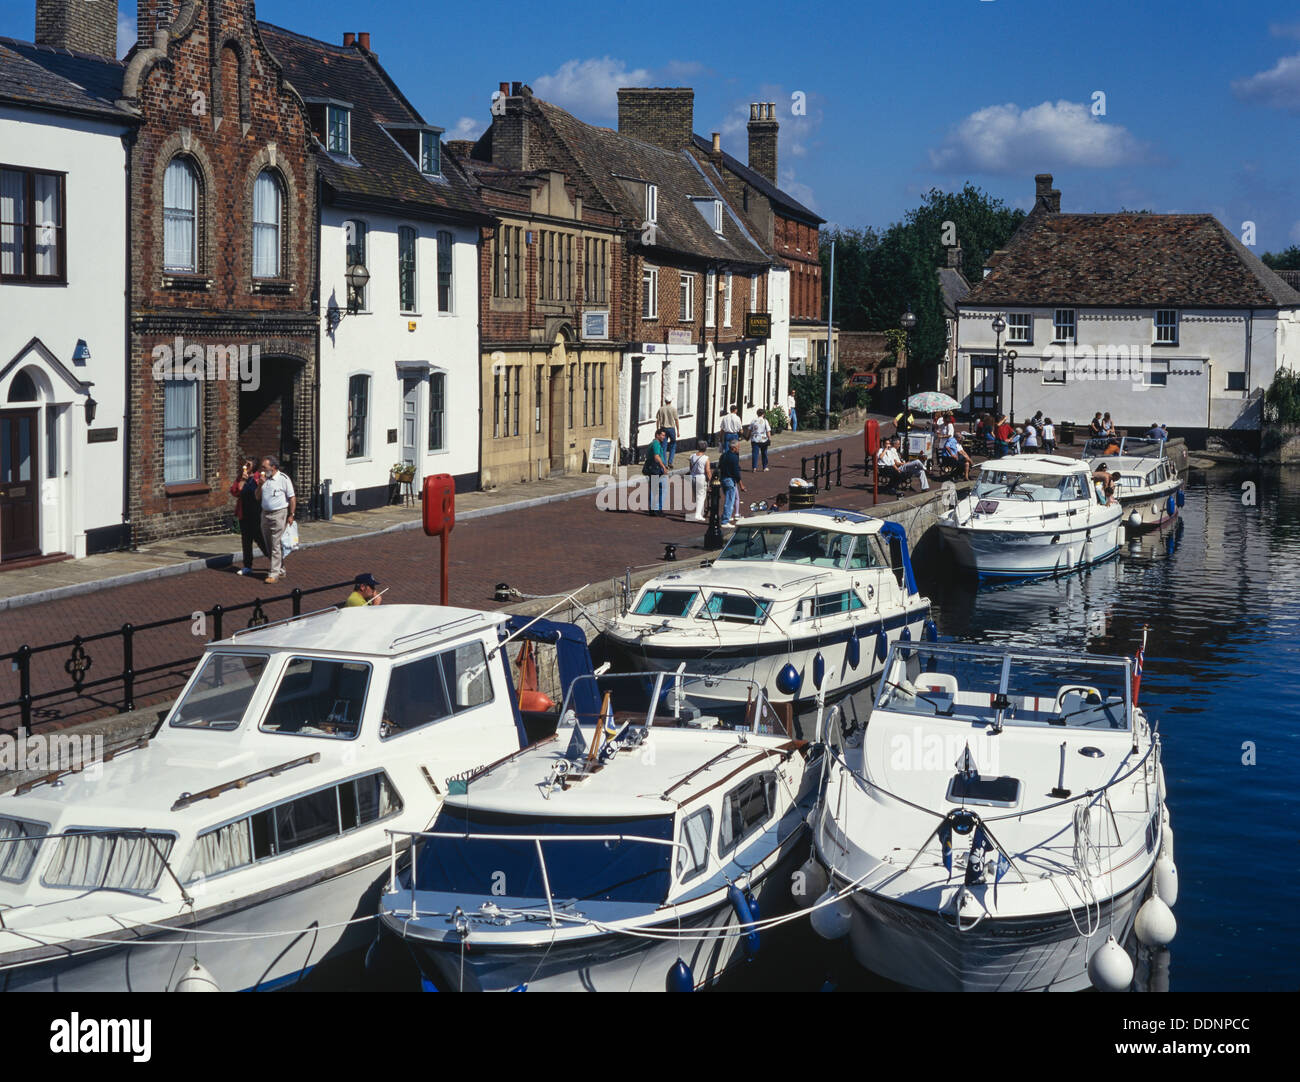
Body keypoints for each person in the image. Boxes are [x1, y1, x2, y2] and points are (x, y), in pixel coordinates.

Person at [257, 455, 296, 585]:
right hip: (265, 514)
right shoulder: (264, 479)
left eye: (264, 467)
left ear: (273, 467)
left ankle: (273, 574)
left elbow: (292, 497)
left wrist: (291, 514)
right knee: (269, 544)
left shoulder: (283, 479)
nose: (262, 469)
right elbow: (257, 497)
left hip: (279, 514)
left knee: (275, 544)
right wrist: (259, 485)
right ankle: (281, 569)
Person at [230, 458, 268, 576]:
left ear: (254, 466)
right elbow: (235, 492)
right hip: (244, 513)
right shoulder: (242, 477)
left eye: (249, 464)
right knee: (246, 541)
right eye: (245, 463)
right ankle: (247, 566)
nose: (245, 465)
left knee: (261, 540)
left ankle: (276, 562)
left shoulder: (259, 477)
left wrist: (261, 483)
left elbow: (264, 493)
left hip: (257, 513)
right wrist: (242, 480)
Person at [718, 440, 745, 526]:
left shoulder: (724, 455)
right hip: (730, 480)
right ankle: (725, 521)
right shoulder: (734, 457)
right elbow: (736, 472)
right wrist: (741, 484)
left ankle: (727, 516)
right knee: (729, 501)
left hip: (723, 479)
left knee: (729, 499)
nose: (738, 449)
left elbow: (719, 466)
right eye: (738, 447)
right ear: (733, 448)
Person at [643, 428, 668, 516]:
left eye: (664, 435)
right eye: (662, 435)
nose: (664, 437)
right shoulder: (656, 444)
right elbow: (656, 457)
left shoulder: (652, 444)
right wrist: (663, 467)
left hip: (653, 469)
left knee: (654, 489)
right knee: (663, 489)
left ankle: (653, 509)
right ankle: (657, 509)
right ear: (657, 435)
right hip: (657, 469)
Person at [689, 440, 712, 521]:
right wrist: (711, 480)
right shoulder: (706, 458)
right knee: (701, 496)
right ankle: (697, 514)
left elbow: (691, 468)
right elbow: (708, 470)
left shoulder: (692, 456)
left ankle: (699, 512)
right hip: (701, 478)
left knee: (696, 496)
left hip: (693, 477)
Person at [655, 397, 680, 468]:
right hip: (671, 428)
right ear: (671, 401)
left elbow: (658, 420)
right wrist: (678, 431)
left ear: (665, 401)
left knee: (663, 446)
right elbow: (676, 420)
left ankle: (664, 463)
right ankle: (670, 462)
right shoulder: (673, 409)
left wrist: (658, 430)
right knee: (673, 444)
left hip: (663, 429)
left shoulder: (661, 409)